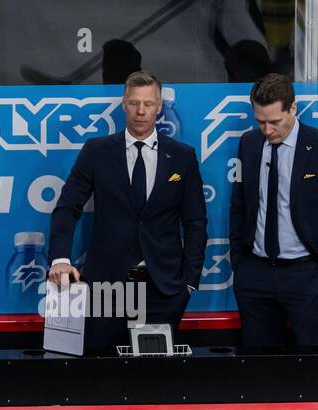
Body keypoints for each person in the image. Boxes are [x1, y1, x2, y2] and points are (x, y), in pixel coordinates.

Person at [49, 70, 207, 355]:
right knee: (101, 375)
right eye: (134, 103)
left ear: (159, 107)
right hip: (106, 286)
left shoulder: (183, 156)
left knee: (155, 382)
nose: (141, 111)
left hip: (164, 288)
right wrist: (60, 258)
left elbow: (195, 222)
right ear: (124, 104)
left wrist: (189, 282)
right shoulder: (96, 152)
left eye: (148, 104)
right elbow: (67, 207)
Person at [229, 73, 318, 354]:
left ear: (293, 109)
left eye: (274, 122)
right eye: (260, 121)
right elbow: (240, 205)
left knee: (317, 371)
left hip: (308, 275)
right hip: (256, 275)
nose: (267, 130)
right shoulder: (249, 144)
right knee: (259, 370)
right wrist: (241, 263)